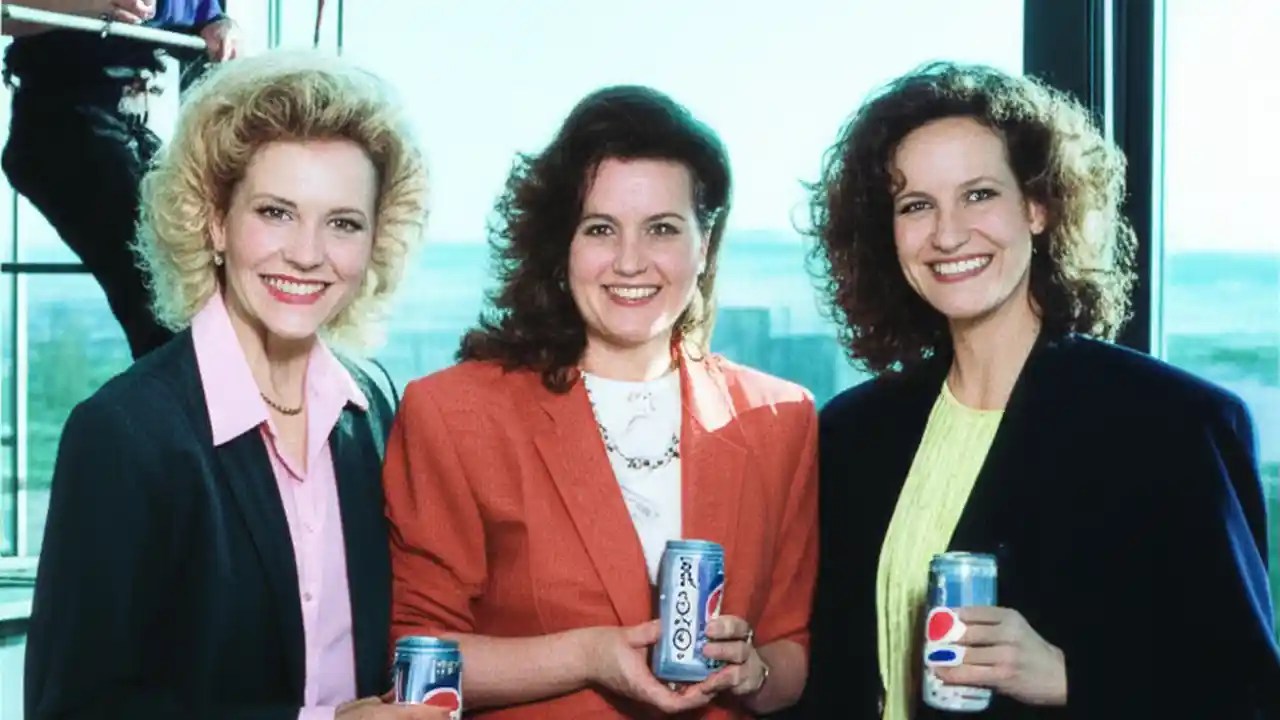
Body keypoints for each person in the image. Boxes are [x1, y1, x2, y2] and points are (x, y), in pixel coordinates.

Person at [789, 61, 1280, 719]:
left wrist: (1071, 678)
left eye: (979, 194)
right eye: (915, 205)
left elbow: (1248, 695)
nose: (948, 233)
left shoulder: (1172, 425)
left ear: (1040, 206)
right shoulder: (854, 431)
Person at [23, 52, 444, 719]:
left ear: (374, 242)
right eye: (276, 213)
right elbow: (74, 709)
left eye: (343, 223)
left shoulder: (373, 405)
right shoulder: (124, 434)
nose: (308, 253)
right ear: (215, 222)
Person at [383, 85, 818, 718]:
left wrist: (753, 670)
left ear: (705, 245)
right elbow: (412, 657)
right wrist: (589, 655)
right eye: (600, 229)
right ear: (561, 248)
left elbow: (793, 653)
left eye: (662, 229)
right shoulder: (453, 414)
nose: (630, 261)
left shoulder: (781, 418)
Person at [2, 0, 241, 359]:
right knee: (165, 301)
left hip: (123, 127)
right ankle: (182, 406)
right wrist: (90, 6)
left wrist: (219, 27)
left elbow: (199, 16)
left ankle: (193, 401)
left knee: (201, 284)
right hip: (64, 130)